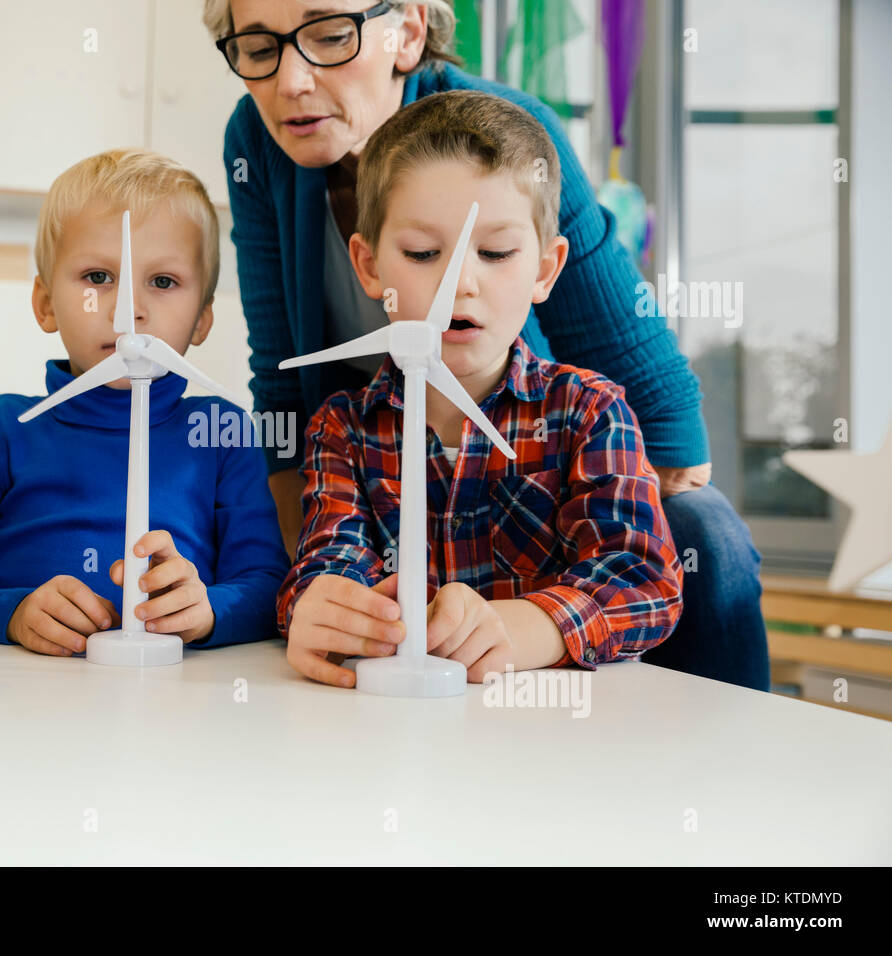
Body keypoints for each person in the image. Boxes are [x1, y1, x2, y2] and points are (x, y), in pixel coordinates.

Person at [206, 0, 770, 689]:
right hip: (385, 471)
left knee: (697, 527)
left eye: (328, 35)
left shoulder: (510, 135)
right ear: (368, 260)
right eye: (259, 47)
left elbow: (650, 399)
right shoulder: (258, 140)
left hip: (529, 463)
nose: (290, 80)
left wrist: (563, 580)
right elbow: (281, 375)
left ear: (408, 31)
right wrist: (311, 591)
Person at [280, 90, 683, 687]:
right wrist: (322, 608)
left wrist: (528, 627)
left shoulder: (589, 413)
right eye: (422, 253)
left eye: (495, 252)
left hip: (548, 741)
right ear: (368, 266)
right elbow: (329, 558)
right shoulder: (341, 429)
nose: (460, 283)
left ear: (545, 268)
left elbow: (642, 580)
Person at [0, 149, 289, 654]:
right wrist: (10, 613)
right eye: (98, 277)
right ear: (46, 303)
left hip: (173, 700)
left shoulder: (223, 432)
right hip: (20, 695)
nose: (127, 311)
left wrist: (207, 612)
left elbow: (270, 586)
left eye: (162, 282)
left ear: (203, 319)